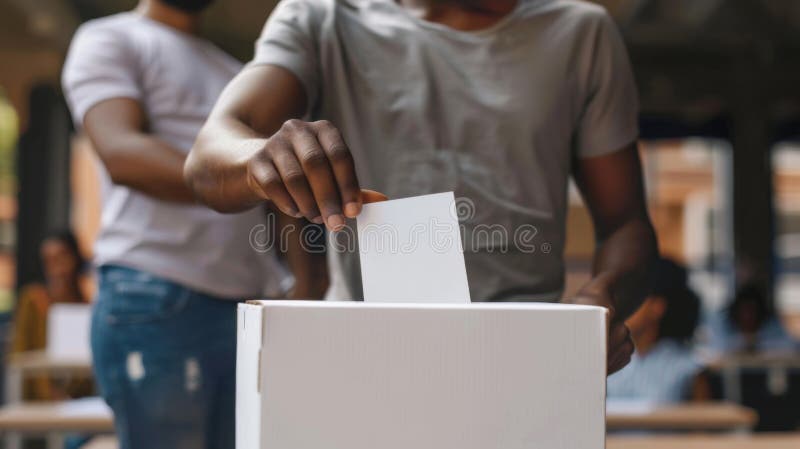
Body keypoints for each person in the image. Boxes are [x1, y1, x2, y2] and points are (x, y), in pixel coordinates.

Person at [185, 0, 658, 374]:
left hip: (527, 360)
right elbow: (208, 158)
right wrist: (257, 158)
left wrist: (605, 298)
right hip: (364, 357)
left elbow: (626, 225)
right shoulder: (321, 18)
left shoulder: (579, 34)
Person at [61, 1, 312, 447]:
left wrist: (310, 291)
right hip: (156, 290)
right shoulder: (111, 38)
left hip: (248, 302)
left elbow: (277, 193)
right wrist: (238, 175)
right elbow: (121, 152)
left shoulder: (237, 70)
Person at [607, 258, 703, 403]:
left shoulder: (688, 368)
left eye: (632, 299)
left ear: (657, 307)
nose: (621, 306)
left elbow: (703, 422)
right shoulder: (606, 361)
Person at [10, 230, 91, 400]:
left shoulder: (87, 307)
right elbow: (20, 355)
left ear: (75, 259)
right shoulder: (33, 300)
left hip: (79, 403)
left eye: (62, 258)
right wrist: (49, 397)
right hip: (38, 403)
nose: (57, 268)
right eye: (49, 261)